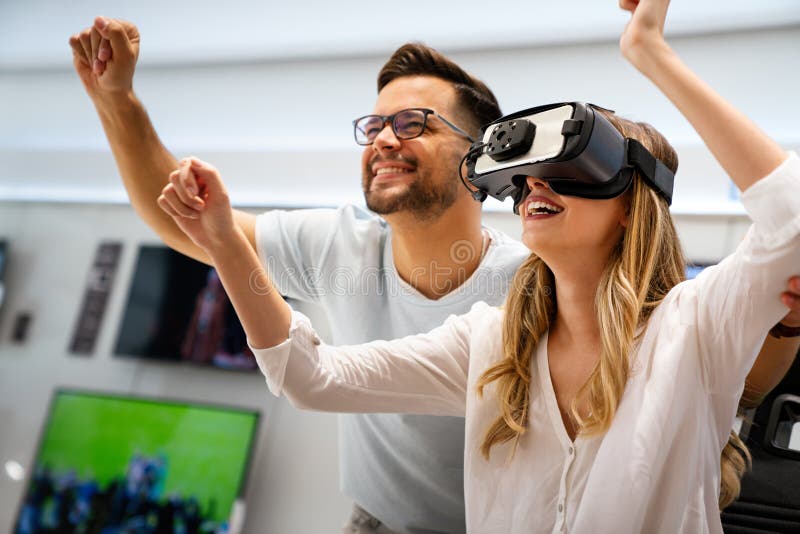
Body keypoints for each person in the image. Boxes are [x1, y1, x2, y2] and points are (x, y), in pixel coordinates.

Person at [69, 3, 800, 531]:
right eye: (374, 124)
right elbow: (305, 372)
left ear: (478, 158)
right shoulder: (478, 333)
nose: (384, 138)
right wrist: (121, 110)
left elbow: (760, 297)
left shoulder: (599, 311)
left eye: (413, 123)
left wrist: (649, 54)